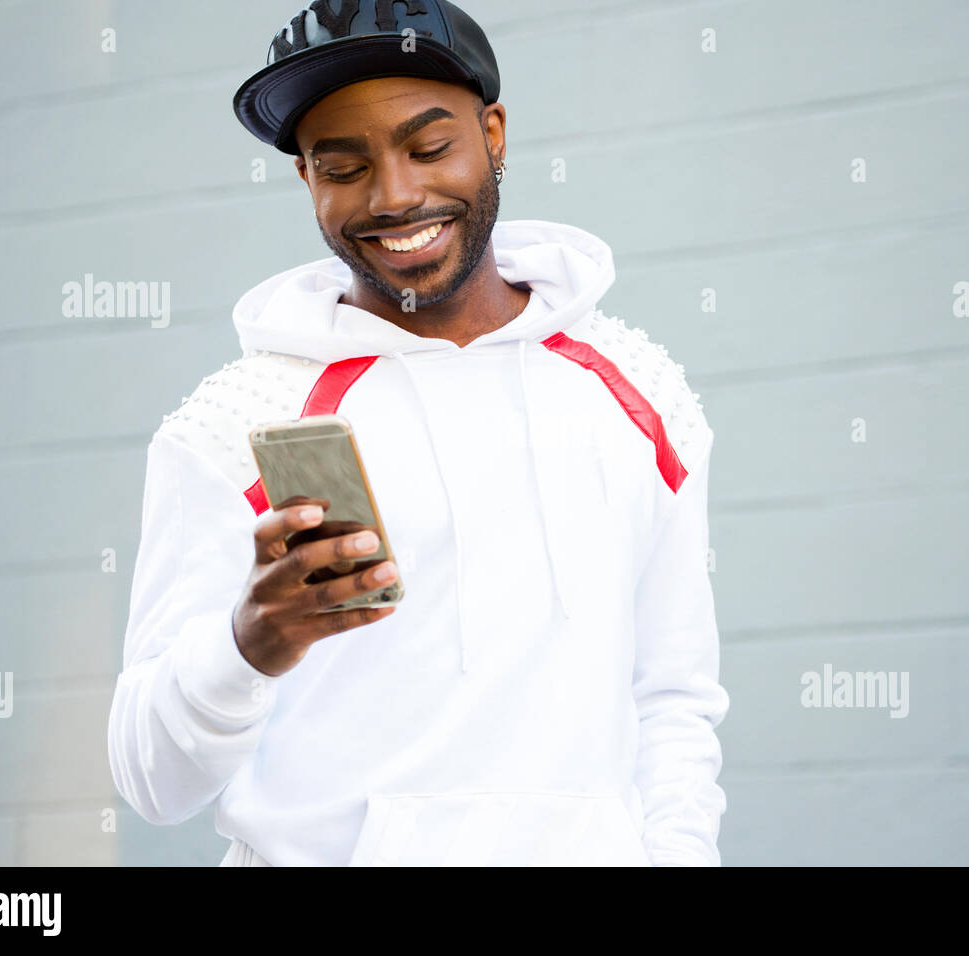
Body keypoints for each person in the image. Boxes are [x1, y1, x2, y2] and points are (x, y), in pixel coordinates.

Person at [107, 0, 729, 866]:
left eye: (429, 147)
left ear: (495, 134)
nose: (394, 196)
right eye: (344, 166)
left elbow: (673, 701)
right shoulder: (236, 423)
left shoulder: (639, 392)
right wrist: (249, 643)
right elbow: (150, 779)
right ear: (307, 182)